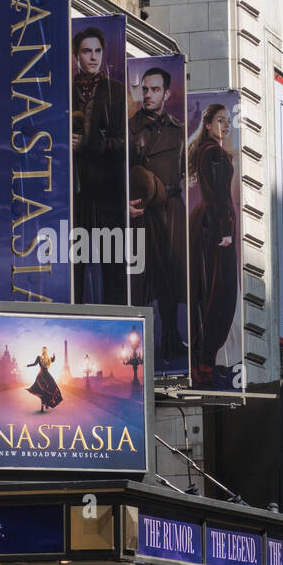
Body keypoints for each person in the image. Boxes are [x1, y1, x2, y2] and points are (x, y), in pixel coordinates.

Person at [128, 65, 187, 364]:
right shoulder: (130, 129)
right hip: (140, 212)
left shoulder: (178, 131)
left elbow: (188, 171)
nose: (147, 95)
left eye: (154, 90)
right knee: (139, 278)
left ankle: (171, 337)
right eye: (144, 89)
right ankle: (138, 345)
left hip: (170, 211)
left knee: (170, 276)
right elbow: (116, 172)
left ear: (167, 92)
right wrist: (123, 202)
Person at [71, 25, 127, 304]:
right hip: (75, 191)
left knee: (112, 264)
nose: (93, 57)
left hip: (107, 192)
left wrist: (87, 144)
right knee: (72, 262)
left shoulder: (116, 92)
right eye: (86, 51)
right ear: (76, 56)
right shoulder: (65, 92)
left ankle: (115, 323)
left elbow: (124, 144)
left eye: (97, 51)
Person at [187, 101, 239, 385]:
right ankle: (204, 363)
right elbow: (220, 196)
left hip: (206, 224)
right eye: (220, 120)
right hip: (215, 228)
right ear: (207, 124)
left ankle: (203, 360)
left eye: (228, 120)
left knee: (208, 291)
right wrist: (226, 230)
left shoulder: (209, 151)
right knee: (219, 294)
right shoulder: (215, 153)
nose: (226, 124)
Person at [25, 347, 63, 413]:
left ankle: (43, 406)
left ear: (42, 351)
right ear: (46, 351)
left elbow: (34, 364)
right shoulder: (48, 358)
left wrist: (27, 365)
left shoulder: (39, 357)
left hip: (41, 375)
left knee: (42, 391)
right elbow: (53, 360)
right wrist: (54, 356)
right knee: (50, 389)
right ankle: (47, 403)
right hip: (47, 375)